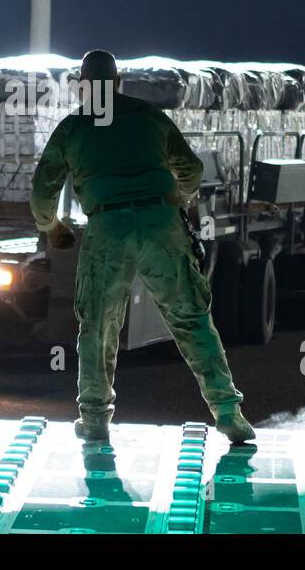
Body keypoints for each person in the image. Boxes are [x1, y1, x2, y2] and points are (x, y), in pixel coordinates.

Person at [30, 49, 255, 444]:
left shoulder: (72, 128)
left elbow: (42, 189)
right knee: (190, 319)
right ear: (118, 83)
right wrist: (180, 200)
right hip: (160, 224)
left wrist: (53, 227)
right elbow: (193, 169)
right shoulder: (149, 117)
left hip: (107, 227)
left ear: (83, 87)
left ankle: (96, 419)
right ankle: (228, 413)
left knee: (99, 324)